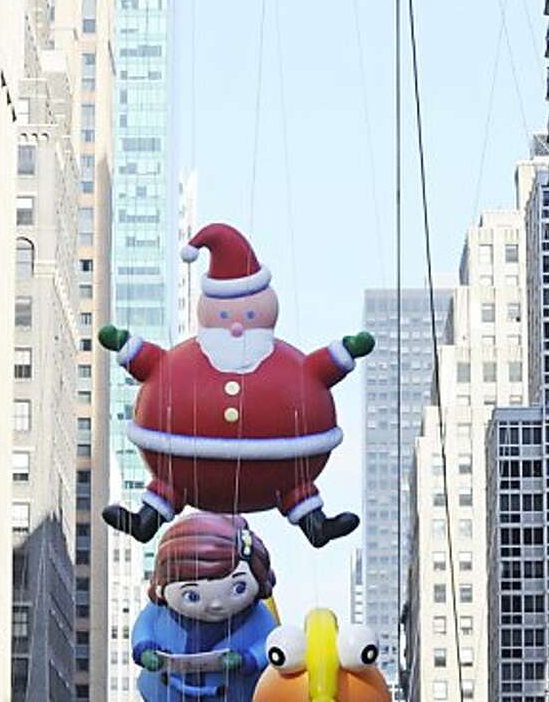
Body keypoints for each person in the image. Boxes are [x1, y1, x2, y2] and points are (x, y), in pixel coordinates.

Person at [100, 222, 373, 547]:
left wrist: (347, 350)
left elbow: (322, 369)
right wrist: (126, 346)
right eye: (226, 313)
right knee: (169, 486)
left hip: (280, 465)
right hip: (185, 466)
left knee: (295, 489)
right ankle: (145, 523)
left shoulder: (294, 366)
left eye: (251, 313)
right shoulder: (177, 365)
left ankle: (317, 527)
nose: (238, 325)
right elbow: (150, 363)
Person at [131, 513, 277, 702]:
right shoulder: (158, 611)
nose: (216, 605)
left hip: (234, 693)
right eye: (192, 596)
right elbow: (143, 629)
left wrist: (248, 659)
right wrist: (145, 650)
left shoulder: (256, 615)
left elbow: (270, 642)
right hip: (164, 691)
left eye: (238, 588)